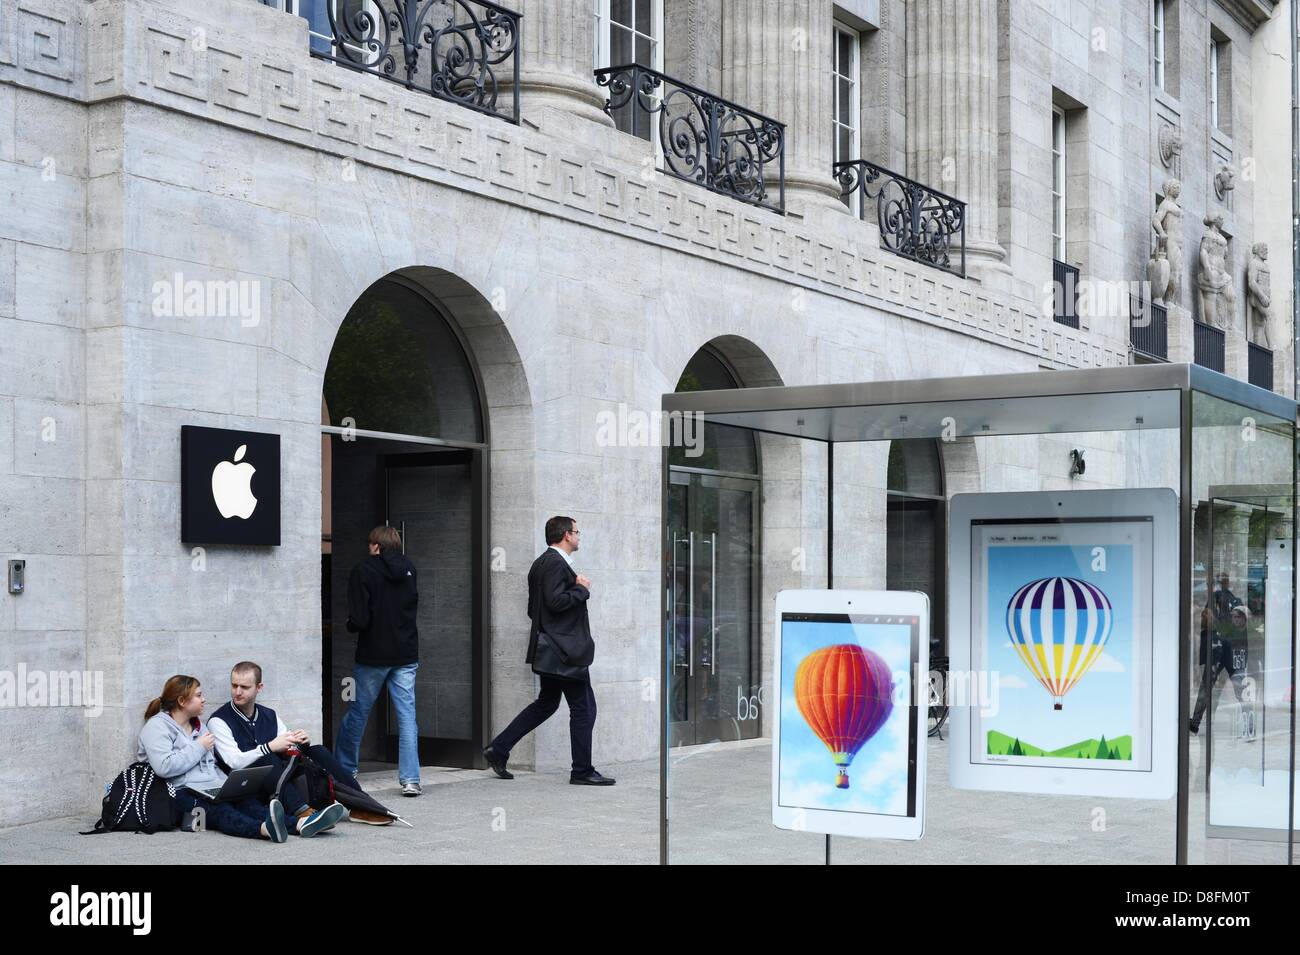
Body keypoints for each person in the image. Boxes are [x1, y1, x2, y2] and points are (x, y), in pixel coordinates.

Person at [482, 516, 615, 786]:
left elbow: (535, 610)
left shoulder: (541, 564)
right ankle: (582, 771)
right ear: (566, 535)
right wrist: (581, 590)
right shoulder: (556, 565)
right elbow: (554, 603)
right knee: (584, 708)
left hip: (551, 649)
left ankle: (499, 748)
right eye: (577, 532)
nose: (579, 536)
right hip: (565, 651)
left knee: (547, 703)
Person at [137, 675, 345, 840]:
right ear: (182, 701)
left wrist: (227, 785)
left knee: (248, 802)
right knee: (222, 811)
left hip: (209, 786)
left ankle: (302, 824)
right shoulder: (157, 727)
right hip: (179, 791)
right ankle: (264, 829)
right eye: (199, 695)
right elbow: (164, 767)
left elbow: (210, 766)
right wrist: (198, 747)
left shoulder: (198, 727)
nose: (204, 699)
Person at [207, 661, 392, 825]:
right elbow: (233, 762)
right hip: (244, 785)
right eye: (234, 685)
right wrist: (269, 747)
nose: (237, 692)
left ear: (259, 687)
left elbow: (289, 747)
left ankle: (362, 804)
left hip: (278, 779)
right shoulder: (219, 721)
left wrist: (299, 741)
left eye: (244, 687)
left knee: (317, 750)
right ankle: (302, 811)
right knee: (266, 757)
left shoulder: (269, 714)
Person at [337, 525, 422, 796]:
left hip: (373, 655)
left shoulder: (363, 570)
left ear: (376, 545)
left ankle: (345, 770)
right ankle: (410, 780)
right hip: (406, 653)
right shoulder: (410, 569)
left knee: (358, 713)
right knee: (407, 716)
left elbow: (360, 618)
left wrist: (350, 625)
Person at [1191, 604, 1253, 738]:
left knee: (1240, 693)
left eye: (1237, 617)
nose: (1234, 619)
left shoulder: (1248, 632)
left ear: (1243, 619)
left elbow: (1253, 652)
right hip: (1223, 659)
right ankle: (1197, 723)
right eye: (1233, 617)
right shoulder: (1226, 630)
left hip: (1233, 662)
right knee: (1207, 690)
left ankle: (1249, 726)